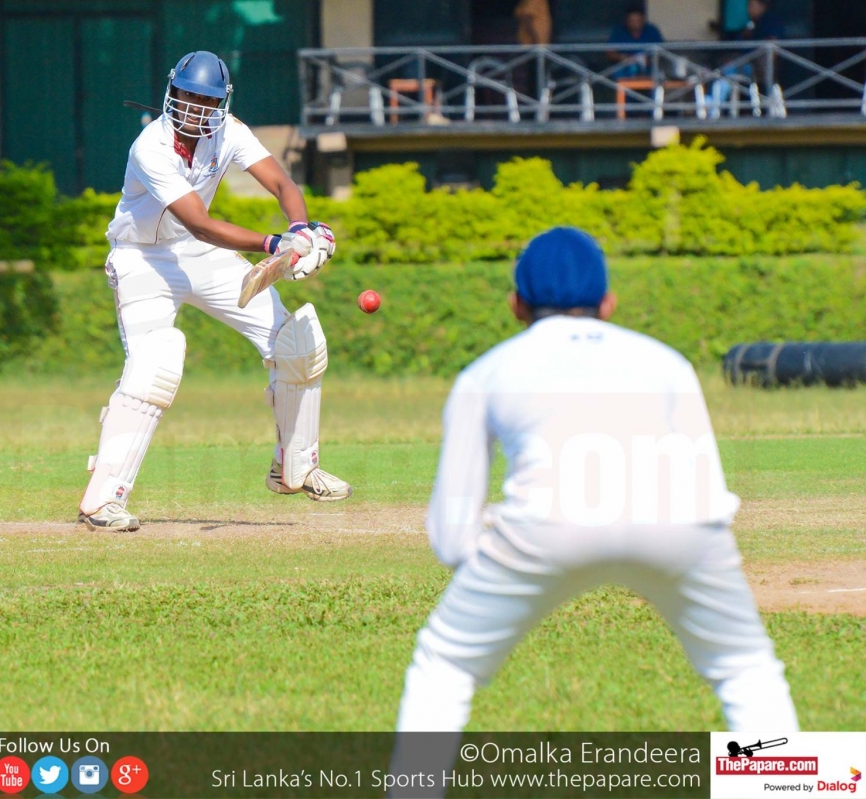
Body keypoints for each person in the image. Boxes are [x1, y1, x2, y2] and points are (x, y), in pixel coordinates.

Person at [393, 228, 798, 747]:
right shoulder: (666, 361)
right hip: (680, 526)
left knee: (444, 664)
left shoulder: (485, 373)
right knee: (745, 669)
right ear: (608, 303)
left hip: (544, 528)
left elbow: (451, 541)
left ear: (516, 306)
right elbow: (708, 490)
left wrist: (499, 557)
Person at [77, 51, 350, 532]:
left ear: (221, 102)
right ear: (172, 92)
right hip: (142, 257)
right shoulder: (150, 146)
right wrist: (274, 243)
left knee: (298, 342)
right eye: (187, 95)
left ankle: (296, 468)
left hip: (198, 254)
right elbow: (199, 222)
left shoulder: (230, 132)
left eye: (206, 100)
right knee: (153, 366)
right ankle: (103, 500)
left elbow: (282, 183)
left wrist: (302, 230)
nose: (195, 108)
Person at [607, 3, 665, 79]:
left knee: (657, 76)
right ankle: (625, 91)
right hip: (625, 67)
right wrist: (622, 57)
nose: (635, 24)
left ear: (643, 20)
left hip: (648, 67)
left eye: (638, 20)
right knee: (618, 74)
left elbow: (662, 51)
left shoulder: (652, 30)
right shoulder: (619, 31)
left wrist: (650, 60)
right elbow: (610, 52)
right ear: (626, 20)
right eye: (632, 20)